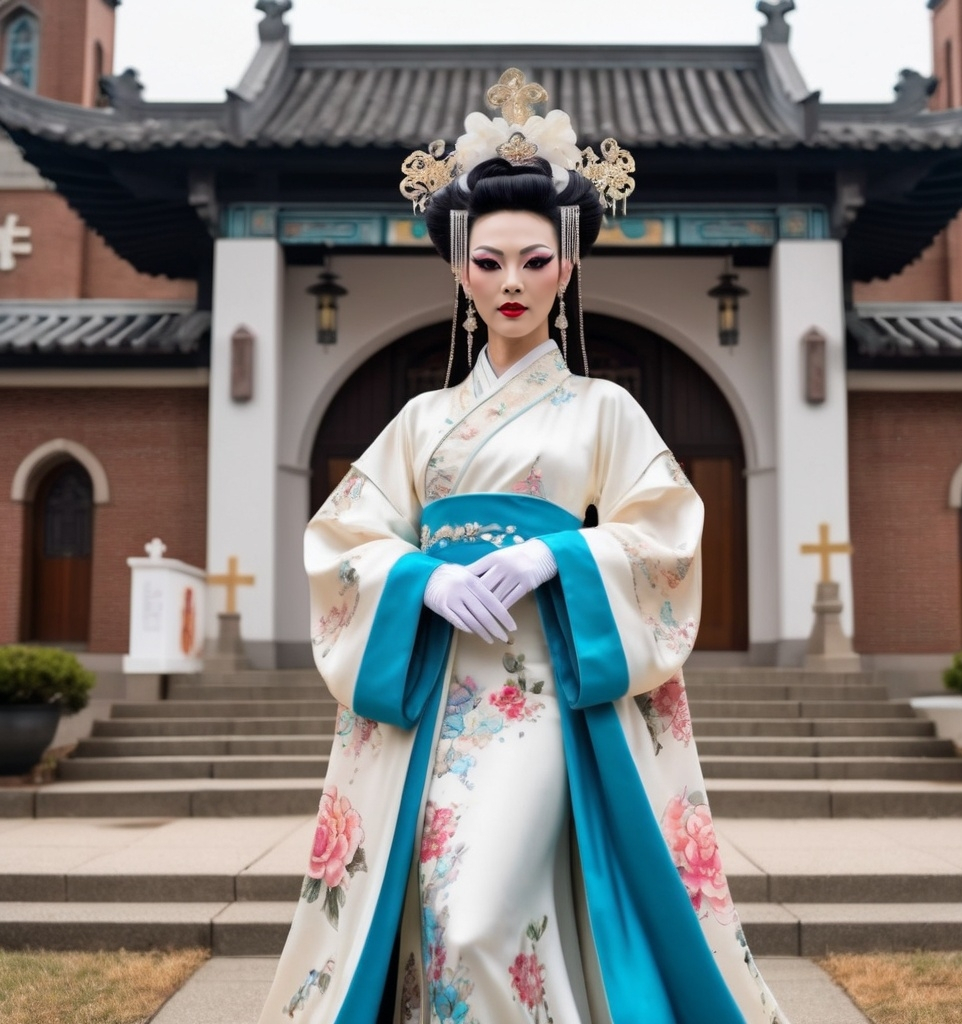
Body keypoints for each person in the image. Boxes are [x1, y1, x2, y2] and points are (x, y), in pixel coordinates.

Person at [257, 69, 788, 1024]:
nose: (512, 283)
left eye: (534, 262)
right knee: (432, 907)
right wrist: (415, 575)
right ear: (459, 270)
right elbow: (341, 534)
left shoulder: (606, 408)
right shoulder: (420, 420)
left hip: (545, 689)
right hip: (436, 696)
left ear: (567, 269)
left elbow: (666, 528)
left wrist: (561, 557)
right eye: (491, 262)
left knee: (479, 918)